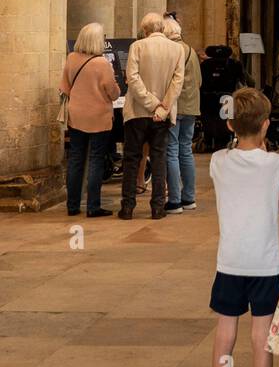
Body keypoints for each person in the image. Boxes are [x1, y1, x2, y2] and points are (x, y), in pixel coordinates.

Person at [208, 87, 279, 367]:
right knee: (261, 338)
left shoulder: (218, 161)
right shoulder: (276, 164)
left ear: (230, 125)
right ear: (266, 125)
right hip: (264, 264)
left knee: (225, 334)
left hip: (230, 262)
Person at [121, 12, 185, 221]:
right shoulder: (177, 49)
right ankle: (158, 208)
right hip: (161, 115)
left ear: (144, 29)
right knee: (159, 159)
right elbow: (177, 83)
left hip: (137, 112)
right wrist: (161, 108)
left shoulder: (137, 46)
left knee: (132, 159)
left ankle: (127, 207)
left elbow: (132, 79)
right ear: (162, 28)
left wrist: (150, 103)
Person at [60, 23, 120, 218]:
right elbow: (113, 93)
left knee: (76, 159)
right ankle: (93, 206)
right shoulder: (102, 63)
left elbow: (64, 87)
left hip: (76, 115)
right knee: (96, 159)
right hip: (98, 117)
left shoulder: (71, 58)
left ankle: (72, 205)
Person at [163, 16, 201, 214]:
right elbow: (199, 81)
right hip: (191, 107)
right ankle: (189, 197)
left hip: (175, 107)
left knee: (171, 150)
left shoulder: (171, 50)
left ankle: (175, 200)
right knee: (186, 150)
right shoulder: (191, 50)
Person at [200, 45, 249, 151]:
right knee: (226, 120)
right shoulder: (235, 64)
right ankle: (226, 141)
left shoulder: (205, 65)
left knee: (210, 120)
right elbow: (245, 81)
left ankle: (209, 142)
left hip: (208, 100)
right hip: (228, 98)